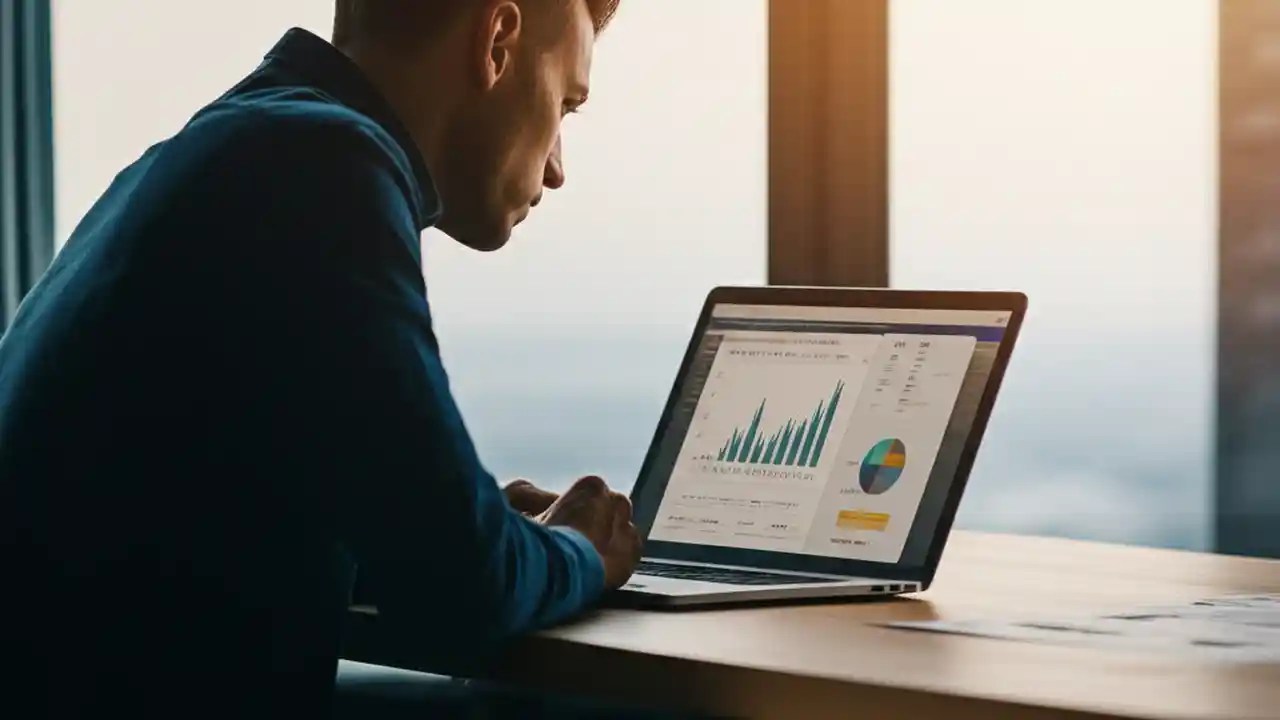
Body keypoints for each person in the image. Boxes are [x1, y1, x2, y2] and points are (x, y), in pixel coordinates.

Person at [0, 0, 642, 715]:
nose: (557, 168)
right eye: (566, 106)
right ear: (497, 40)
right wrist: (584, 550)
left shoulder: (234, 144)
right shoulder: (323, 172)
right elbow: (461, 590)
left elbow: (204, 532)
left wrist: (484, 524)